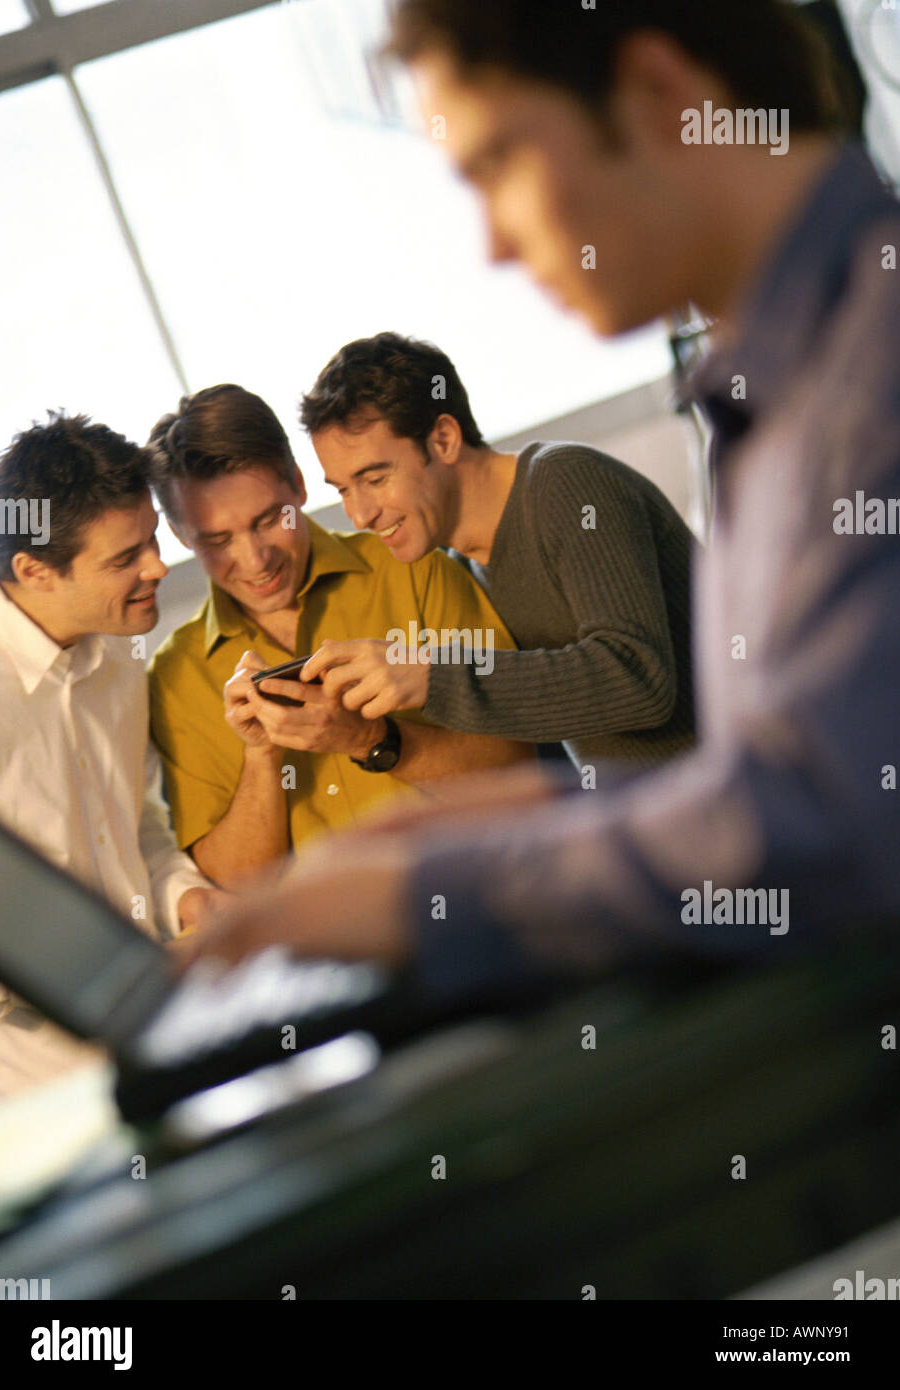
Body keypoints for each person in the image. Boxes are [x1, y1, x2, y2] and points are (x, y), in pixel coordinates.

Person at [193, 0, 900, 992]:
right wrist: (453, 803)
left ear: (657, 95)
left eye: (499, 164)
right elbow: (758, 774)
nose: (492, 244)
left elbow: (820, 829)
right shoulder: (775, 398)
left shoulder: (865, 378)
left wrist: (431, 894)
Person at [146, 384, 528, 889]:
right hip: (333, 953)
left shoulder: (413, 573)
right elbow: (234, 884)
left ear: (299, 484)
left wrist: (370, 739)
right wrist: (261, 758)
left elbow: (519, 769)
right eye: (217, 541)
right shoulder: (176, 676)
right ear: (179, 538)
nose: (255, 559)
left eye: (268, 520)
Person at [298, 331, 696, 782]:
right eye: (344, 490)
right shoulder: (460, 564)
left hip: (751, 808)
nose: (360, 514)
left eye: (374, 478)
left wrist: (433, 676)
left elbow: (638, 681)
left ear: (444, 439)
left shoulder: (567, 485)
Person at [0, 413, 220, 1106]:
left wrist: (185, 896)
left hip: (146, 1005)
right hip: (13, 1059)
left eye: (149, 540)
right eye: (125, 559)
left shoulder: (118, 656)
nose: (157, 568)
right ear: (34, 571)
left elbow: (135, 823)